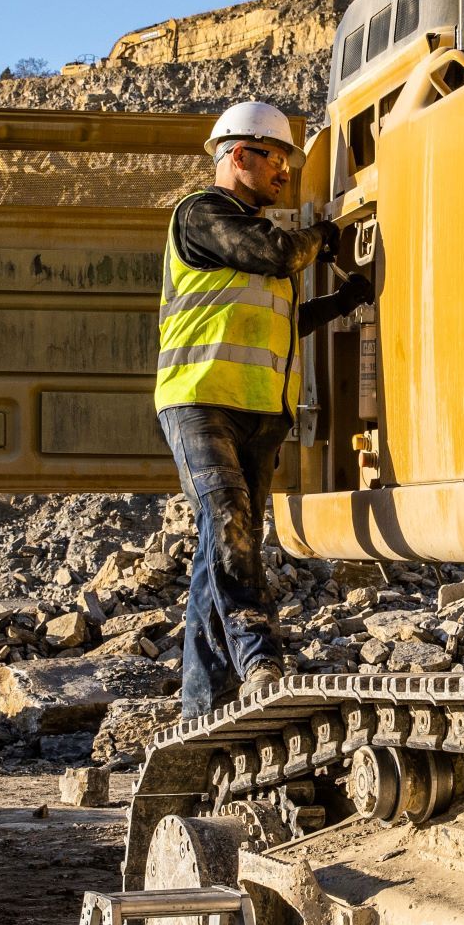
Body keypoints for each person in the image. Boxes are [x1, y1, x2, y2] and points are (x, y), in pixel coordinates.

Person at [155, 99, 371, 717]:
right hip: (200, 400)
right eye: (274, 159)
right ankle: (259, 658)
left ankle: (203, 699)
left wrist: (346, 298)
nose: (284, 172)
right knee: (228, 522)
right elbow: (278, 255)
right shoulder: (201, 215)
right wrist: (325, 236)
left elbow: (283, 321)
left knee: (218, 546)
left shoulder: (254, 237)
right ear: (237, 155)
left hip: (259, 408)